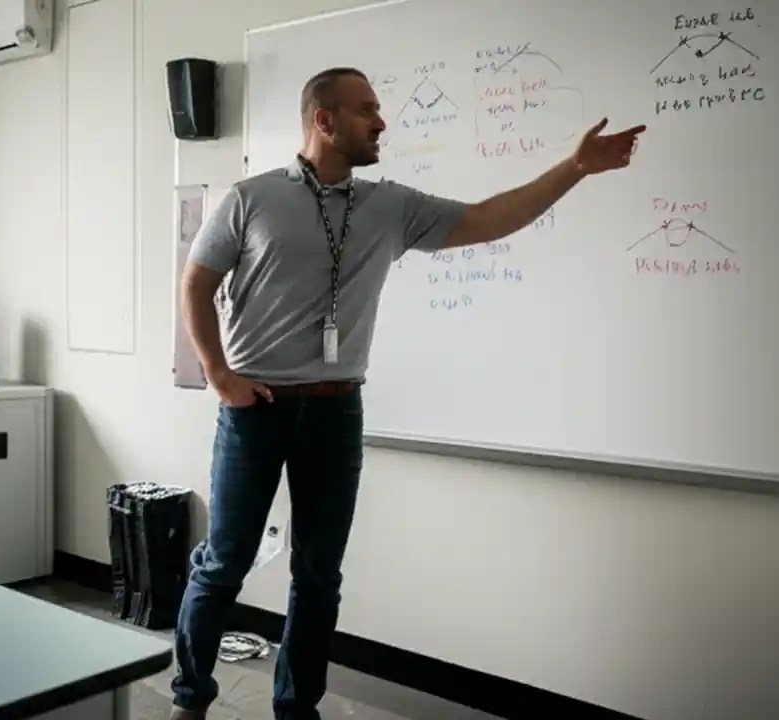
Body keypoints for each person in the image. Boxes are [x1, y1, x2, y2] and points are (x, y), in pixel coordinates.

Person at [171, 67, 645, 720]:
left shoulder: (389, 205)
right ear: (324, 120)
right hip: (258, 408)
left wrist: (576, 168)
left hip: (338, 408)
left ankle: (295, 710)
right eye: (366, 109)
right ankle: (189, 701)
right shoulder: (251, 197)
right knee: (225, 563)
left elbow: (487, 219)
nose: (382, 122)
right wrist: (220, 377)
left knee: (317, 578)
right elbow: (195, 284)